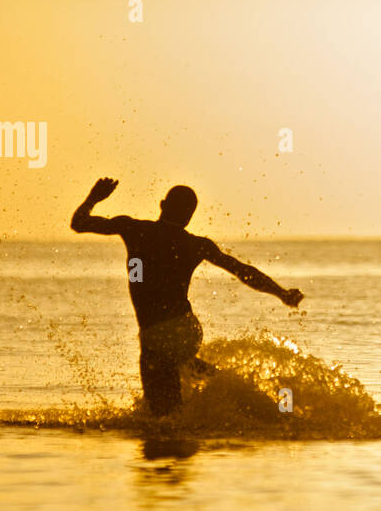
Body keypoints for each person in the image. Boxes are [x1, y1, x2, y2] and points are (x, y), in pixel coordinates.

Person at [71, 177, 303, 415]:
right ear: (190, 215)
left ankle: (245, 403)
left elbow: (78, 223)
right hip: (187, 328)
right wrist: (281, 293)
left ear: (162, 205)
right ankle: (245, 395)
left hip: (157, 332)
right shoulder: (196, 244)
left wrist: (93, 198)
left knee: (161, 415)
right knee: (183, 366)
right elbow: (242, 271)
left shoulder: (134, 229)